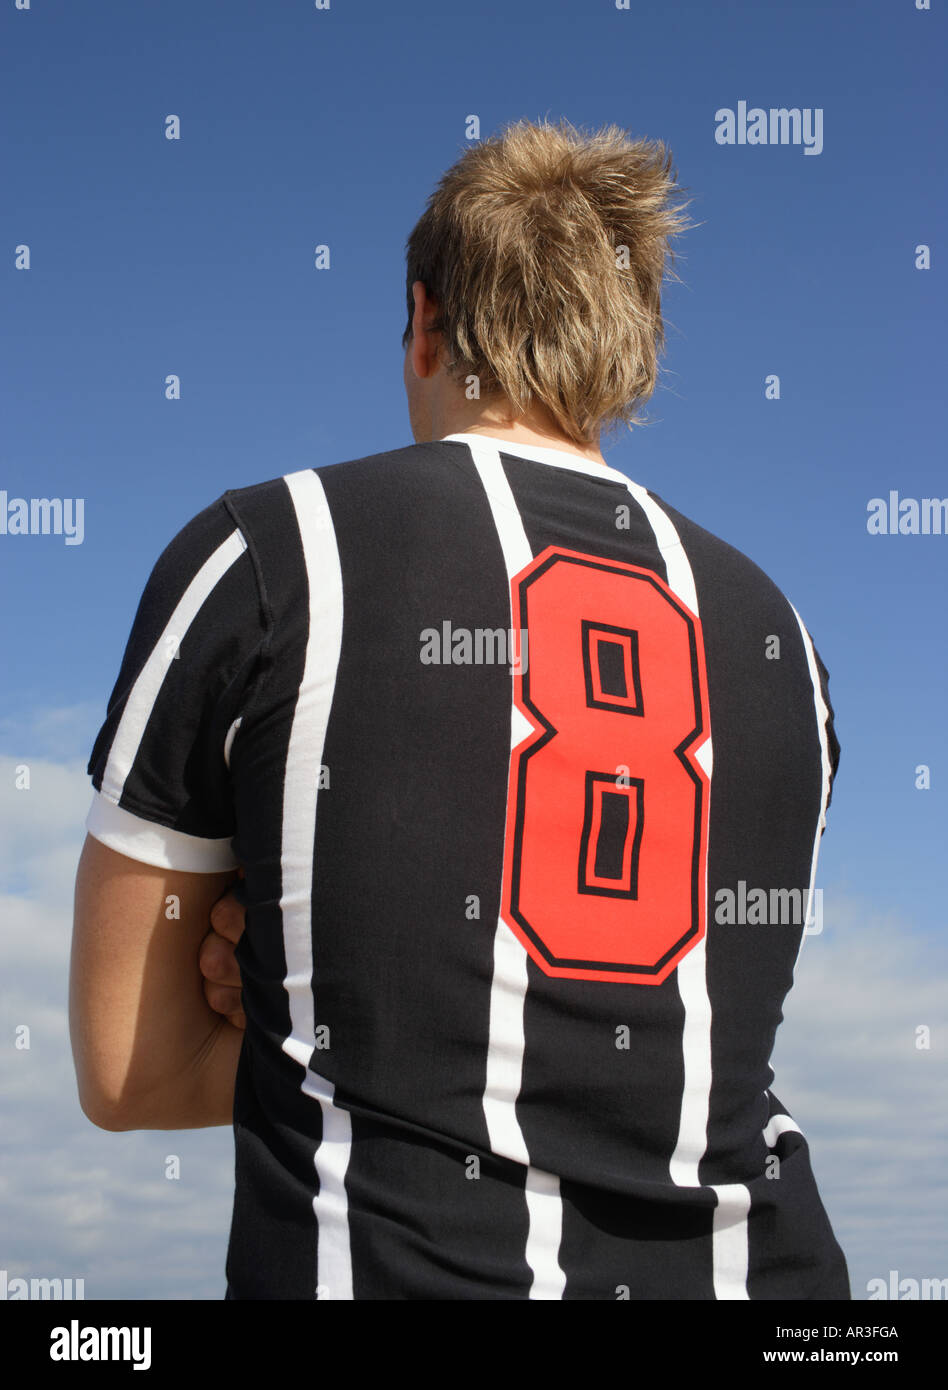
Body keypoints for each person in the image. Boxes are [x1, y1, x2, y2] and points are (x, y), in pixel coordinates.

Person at [70, 117, 849, 1300]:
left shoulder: (276, 556)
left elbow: (129, 1070)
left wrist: (301, 1002)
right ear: (629, 341)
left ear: (427, 320)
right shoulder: (778, 634)